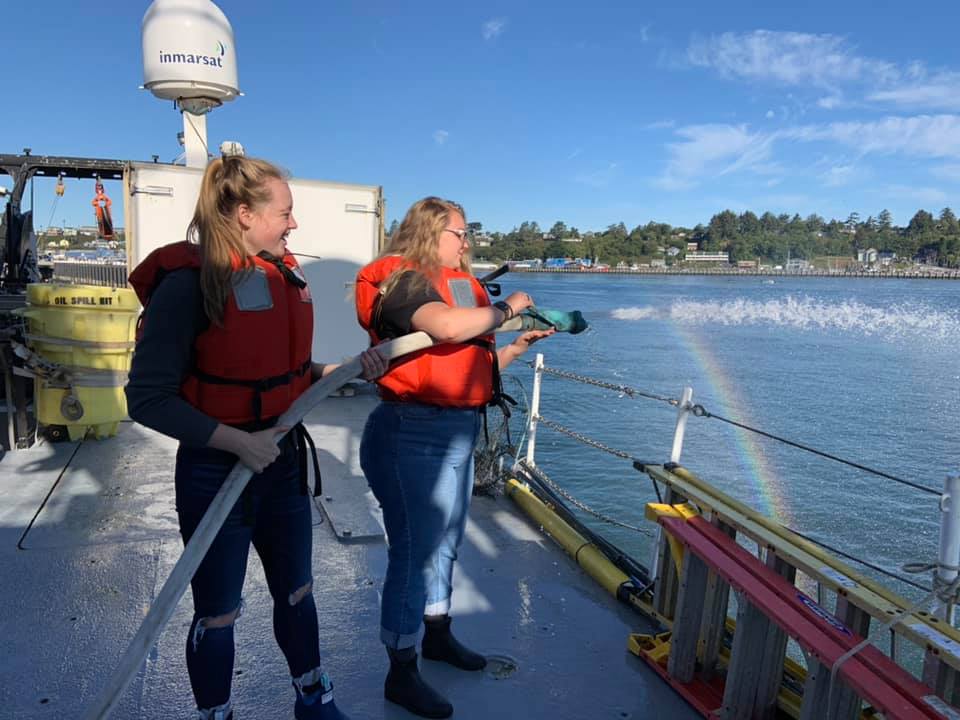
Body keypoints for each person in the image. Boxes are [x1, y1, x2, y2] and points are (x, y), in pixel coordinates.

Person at [125, 155, 386, 720]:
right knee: (218, 610)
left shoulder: (282, 275)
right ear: (244, 213)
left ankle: (313, 697)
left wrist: (335, 372)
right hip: (216, 469)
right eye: (285, 212)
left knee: (297, 590)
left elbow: (282, 370)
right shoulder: (187, 287)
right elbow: (146, 399)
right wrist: (238, 443)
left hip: (283, 465)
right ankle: (215, 713)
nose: (293, 224)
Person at [355, 196, 553, 719]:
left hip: (457, 432)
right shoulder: (402, 282)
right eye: (459, 233)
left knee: (445, 541)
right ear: (428, 232)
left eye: (468, 234)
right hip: (411, 435)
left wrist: (513, 347)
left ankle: (437, 635)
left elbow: (463, 367)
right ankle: (400, 670)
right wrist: (509, 306)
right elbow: (444, 328)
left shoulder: (459, 286)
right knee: (414, 552)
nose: (468, 244)